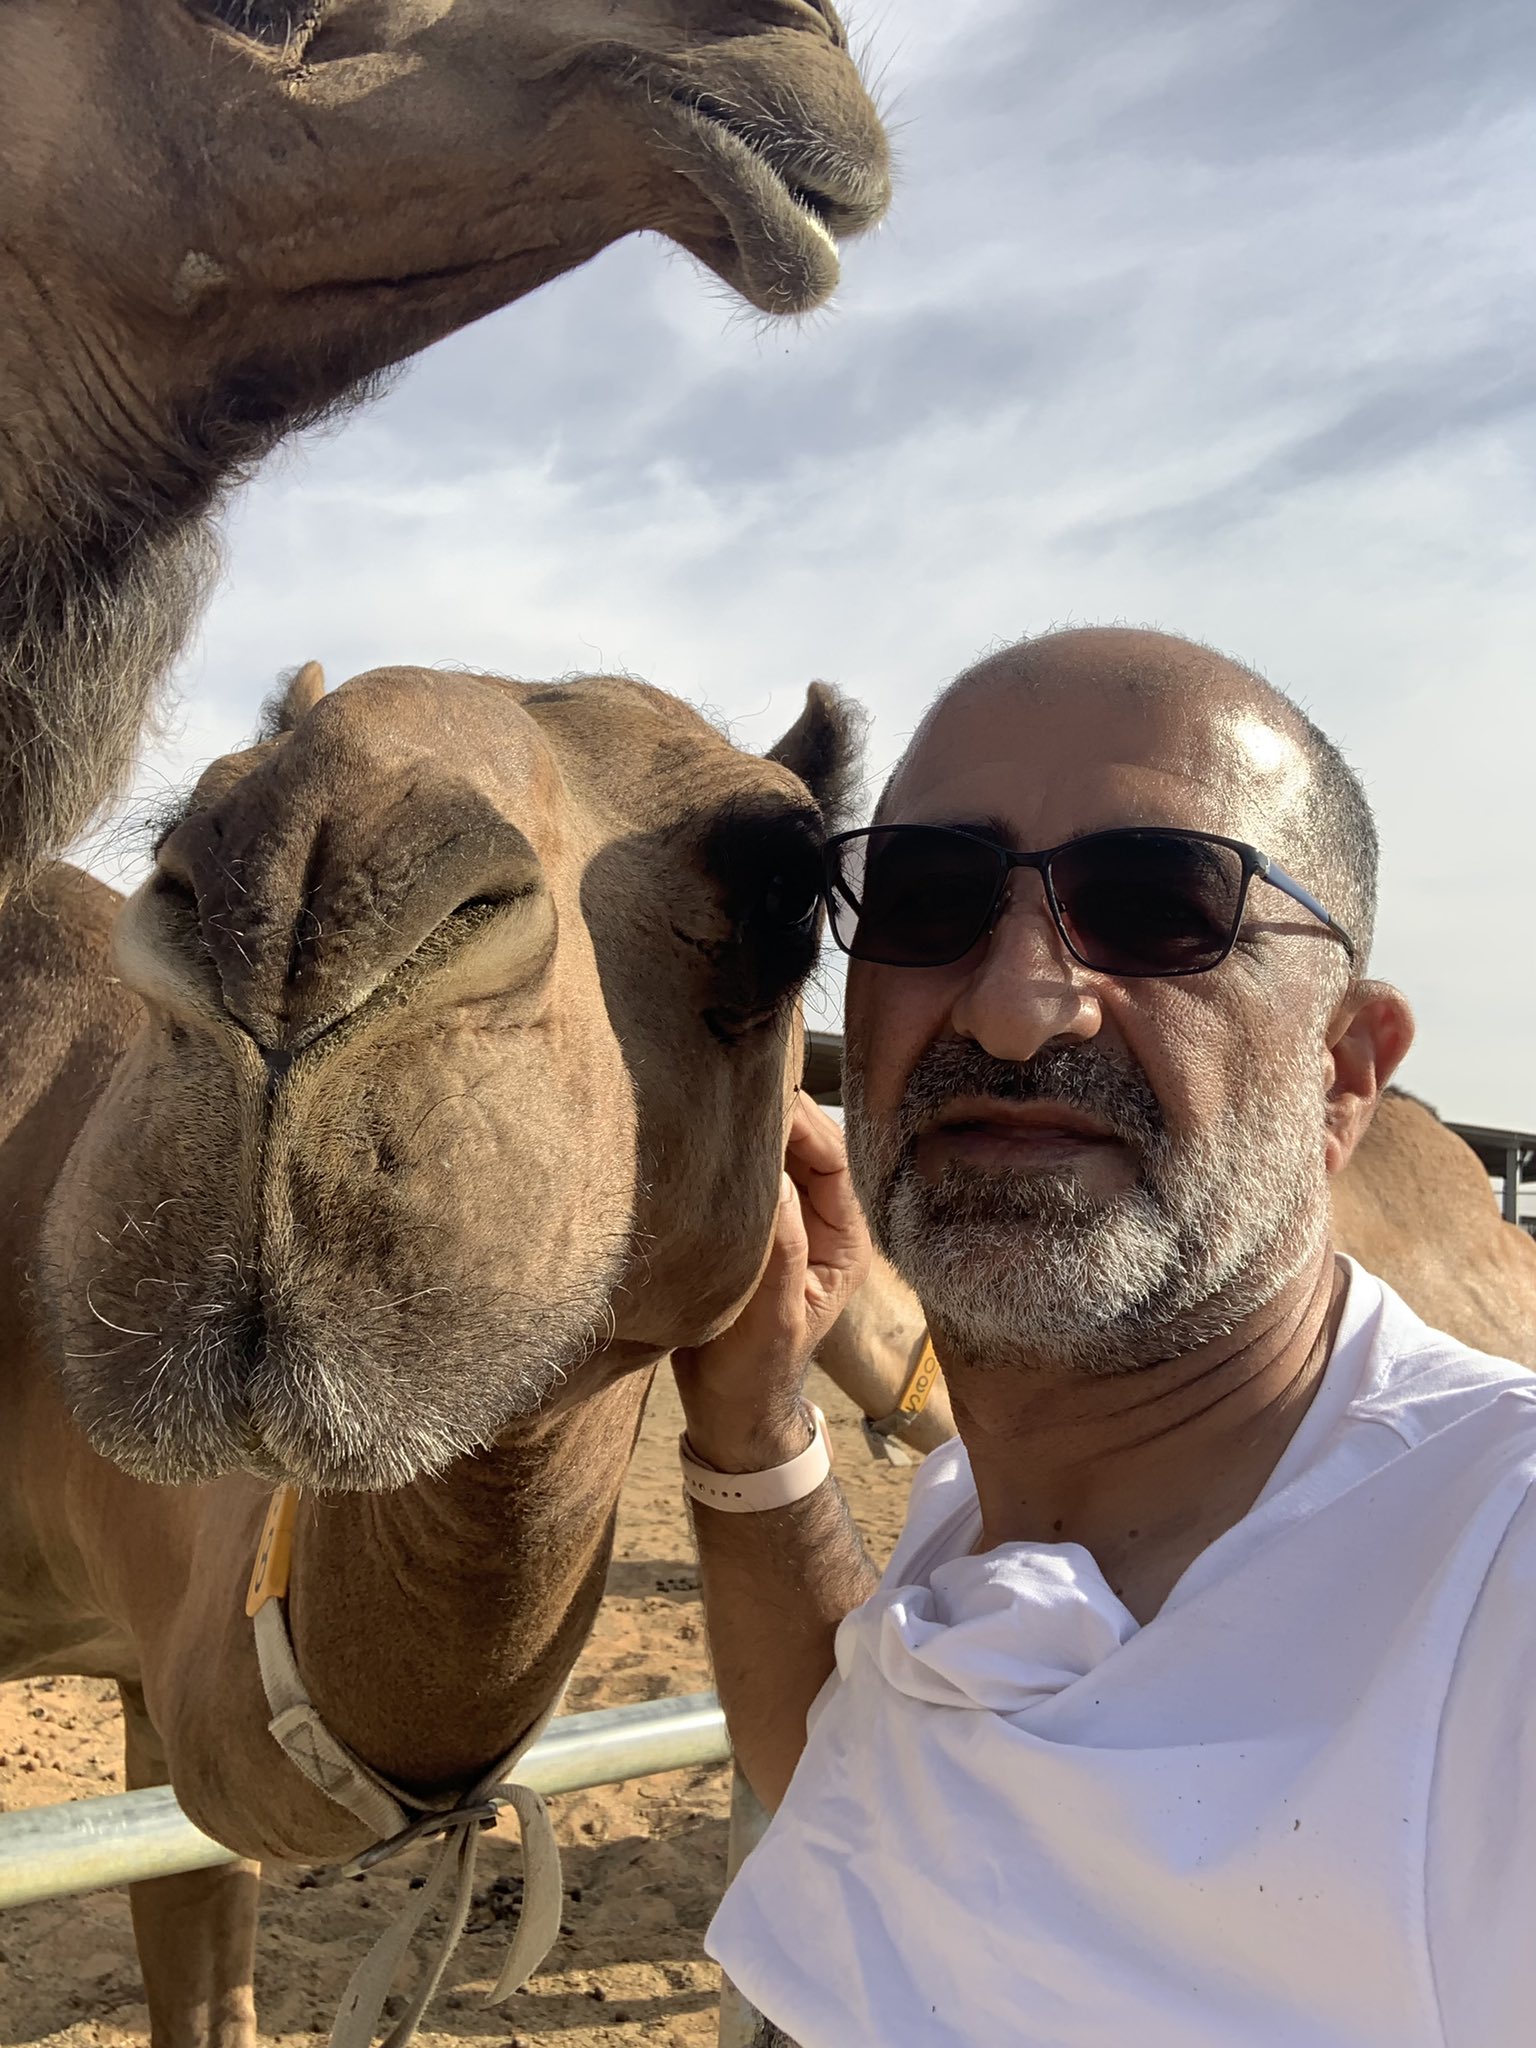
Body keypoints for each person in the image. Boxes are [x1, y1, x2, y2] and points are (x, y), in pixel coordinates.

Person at [671, 626, 1536, 2048]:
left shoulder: (1494, 1584)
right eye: (930, 899)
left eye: (1157, 907)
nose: (1015, 1007)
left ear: (1343, 1071)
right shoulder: (985, 1520)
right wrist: (754, 1423)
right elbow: (863, 1788)